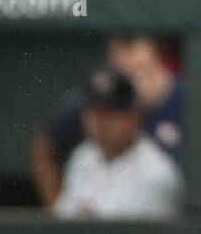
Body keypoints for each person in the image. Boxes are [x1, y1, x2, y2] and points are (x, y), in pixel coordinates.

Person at [34, 35, 183, 209]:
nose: (130, 83)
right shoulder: (83, 157)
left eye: (140, 71)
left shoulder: (187, 100)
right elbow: (44, 142)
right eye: (122, 71)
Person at [53, 66, 185, 220]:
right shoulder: (82, 155)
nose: (99, 121)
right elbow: (62, 215)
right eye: (93, 111)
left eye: (110, 114)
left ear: (134, 115)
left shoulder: (157, 174)